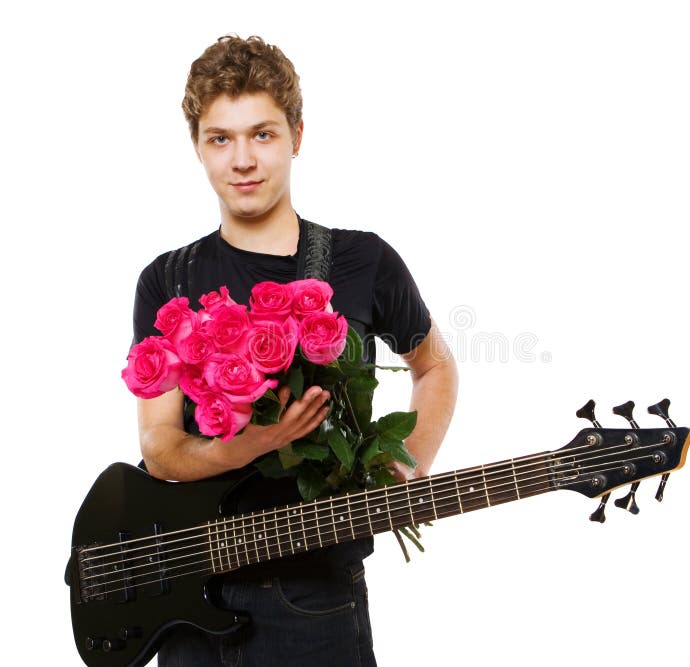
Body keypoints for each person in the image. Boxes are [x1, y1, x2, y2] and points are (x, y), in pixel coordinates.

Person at [131, 34, 458, 666]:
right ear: (197, 148)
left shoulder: (362, 260)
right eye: (220, 138)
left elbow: (434, 364)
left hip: (316, 601)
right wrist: (253, 443)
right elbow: (159, 448)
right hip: (191, 597)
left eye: (263, 134)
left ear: (297, 136)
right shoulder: (166, 282)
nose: (243, 160)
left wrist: (409, 463)